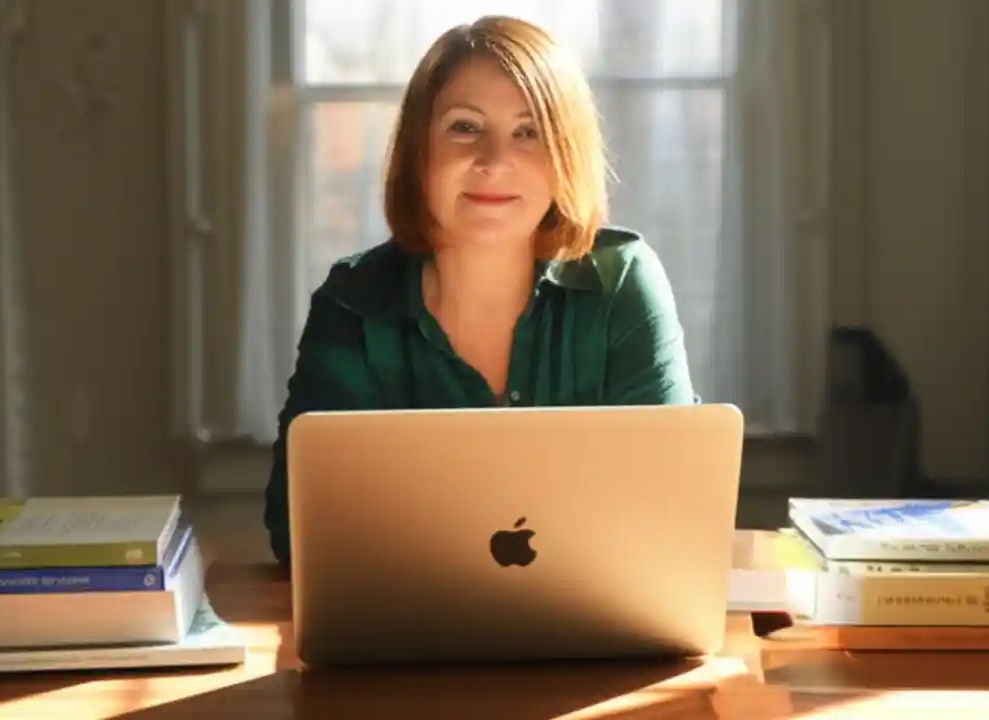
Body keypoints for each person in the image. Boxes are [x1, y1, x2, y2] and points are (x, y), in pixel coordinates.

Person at [264, 16, 696, 564]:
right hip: (407, 627)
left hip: (600, 626)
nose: (495, 161)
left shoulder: (622, 283)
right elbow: (295, 525)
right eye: (465, 127)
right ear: (419, 153)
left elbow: (673, 507)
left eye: (528, 132)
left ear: (566, 155)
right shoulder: (355, 301)